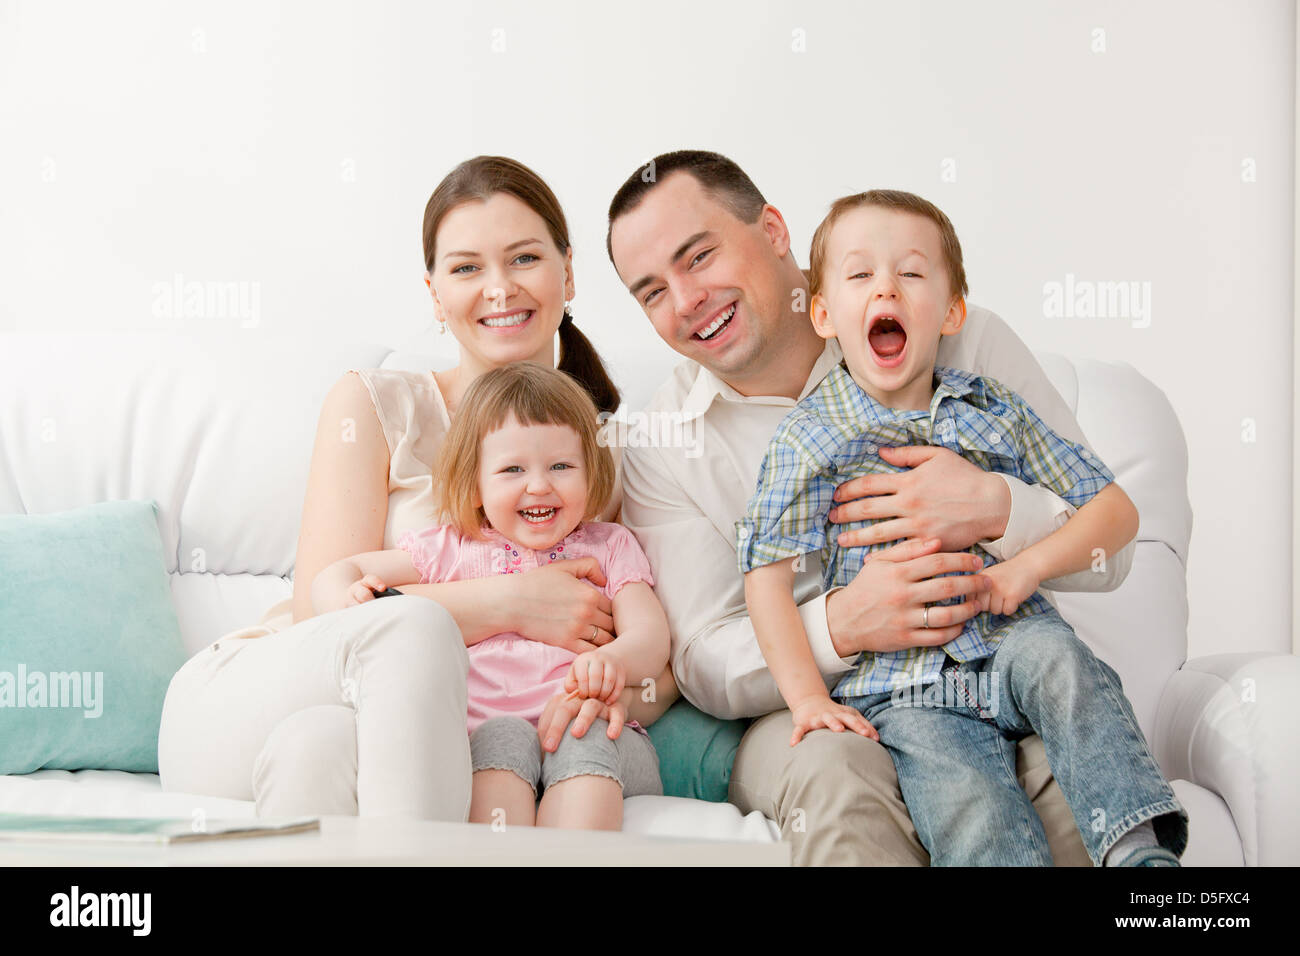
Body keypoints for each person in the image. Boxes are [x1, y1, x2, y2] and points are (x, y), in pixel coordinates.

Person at [606, 149, 1134, 866]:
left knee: (1063, 786)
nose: (685, 298)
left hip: (982, 660)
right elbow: (701, 653)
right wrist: (842, 625)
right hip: (810, 708)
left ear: (773, 229)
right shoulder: (662, 443)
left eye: (698, 257)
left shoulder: (961, 338)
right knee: (840, 776)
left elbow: (1114, 551)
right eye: (651, 292)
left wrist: (995, 506)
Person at [158, 156, 631, 820]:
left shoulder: (596, 461)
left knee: (318, 752)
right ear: (435, 294)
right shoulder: (375, 404)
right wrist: (513, 602)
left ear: (568, 272)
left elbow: (645, 659)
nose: (499, 288)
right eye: (467, 268)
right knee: (407, 634)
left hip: (373, 731)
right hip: (259, 693)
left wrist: (593, 700)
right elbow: (322, 614)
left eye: (523, 258)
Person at [737, 189, 1188, 866]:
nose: (886, 286)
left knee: (1066, 665)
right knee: (972, 805)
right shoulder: (808, 440)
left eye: (911, 273)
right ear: (825, 313)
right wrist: (805, 699)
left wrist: (1026, 566)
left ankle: (1134, 853)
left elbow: (1115, 513)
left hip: (1013, 643)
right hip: (904, 686)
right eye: (860, 275)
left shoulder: (992, 409)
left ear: (951, 311)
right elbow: (765, 578)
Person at [310, 362, 669, 830]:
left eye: (561, 466)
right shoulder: (451, 547)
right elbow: (340, 572)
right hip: (486, 736)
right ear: (475, 485)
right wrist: (349, 594)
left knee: (582, 736)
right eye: (512, 469)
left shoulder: (609, 545)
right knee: (497, 741)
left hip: (599, 731)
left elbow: (651, 634)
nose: (539, 484)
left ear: (591, 471)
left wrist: (613, 663)